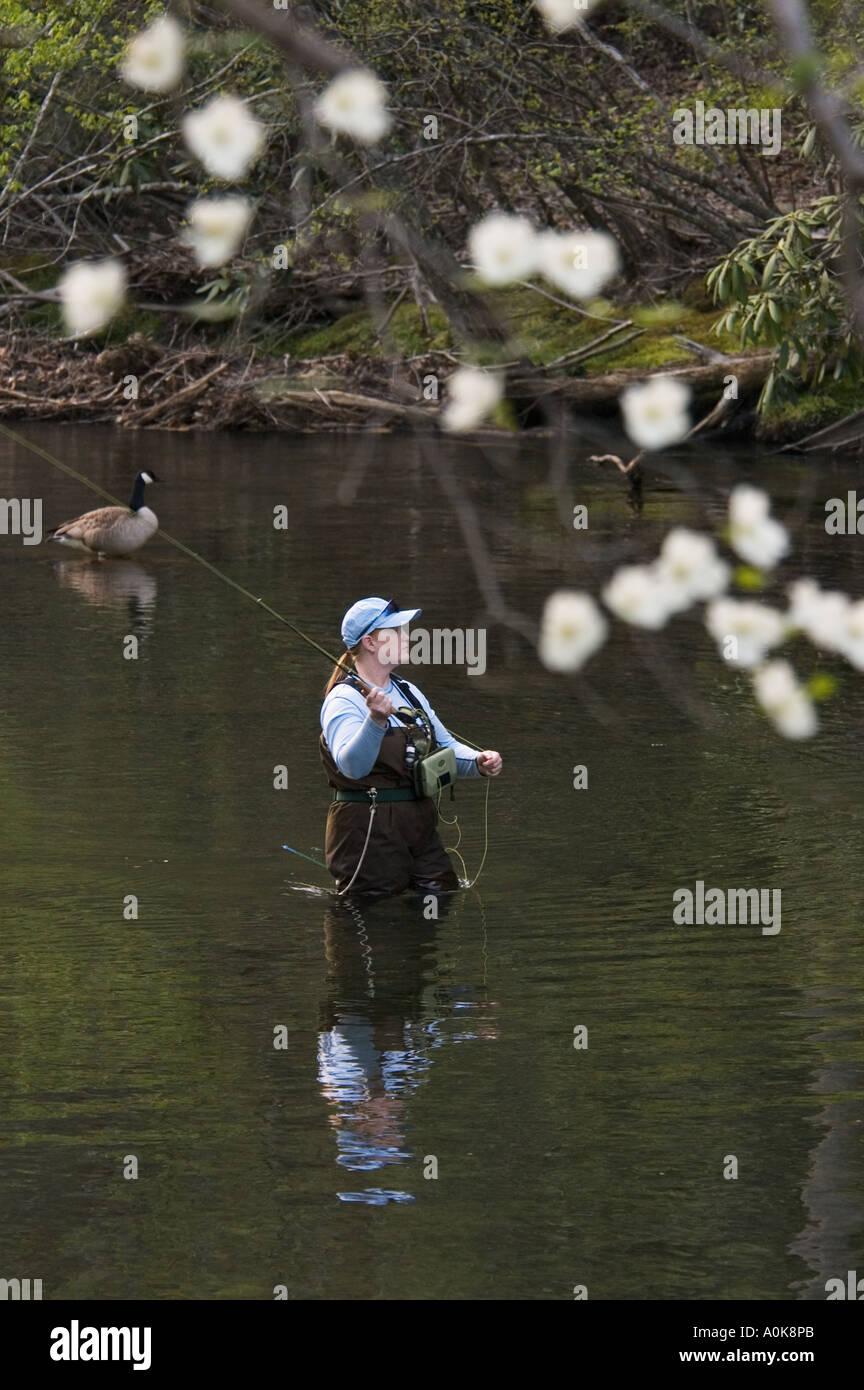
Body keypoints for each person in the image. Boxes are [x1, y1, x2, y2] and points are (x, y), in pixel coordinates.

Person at [319, 597, 502, 899]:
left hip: (418, 825)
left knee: (441, 896)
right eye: (396, 630)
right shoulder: (342, 700)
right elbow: (351, 766)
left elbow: (445, 747)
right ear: (370, 642)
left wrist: (479, 761)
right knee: (375, 922)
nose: (408, 636)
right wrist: (375, 720)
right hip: (366, 832)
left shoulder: (409, 691)